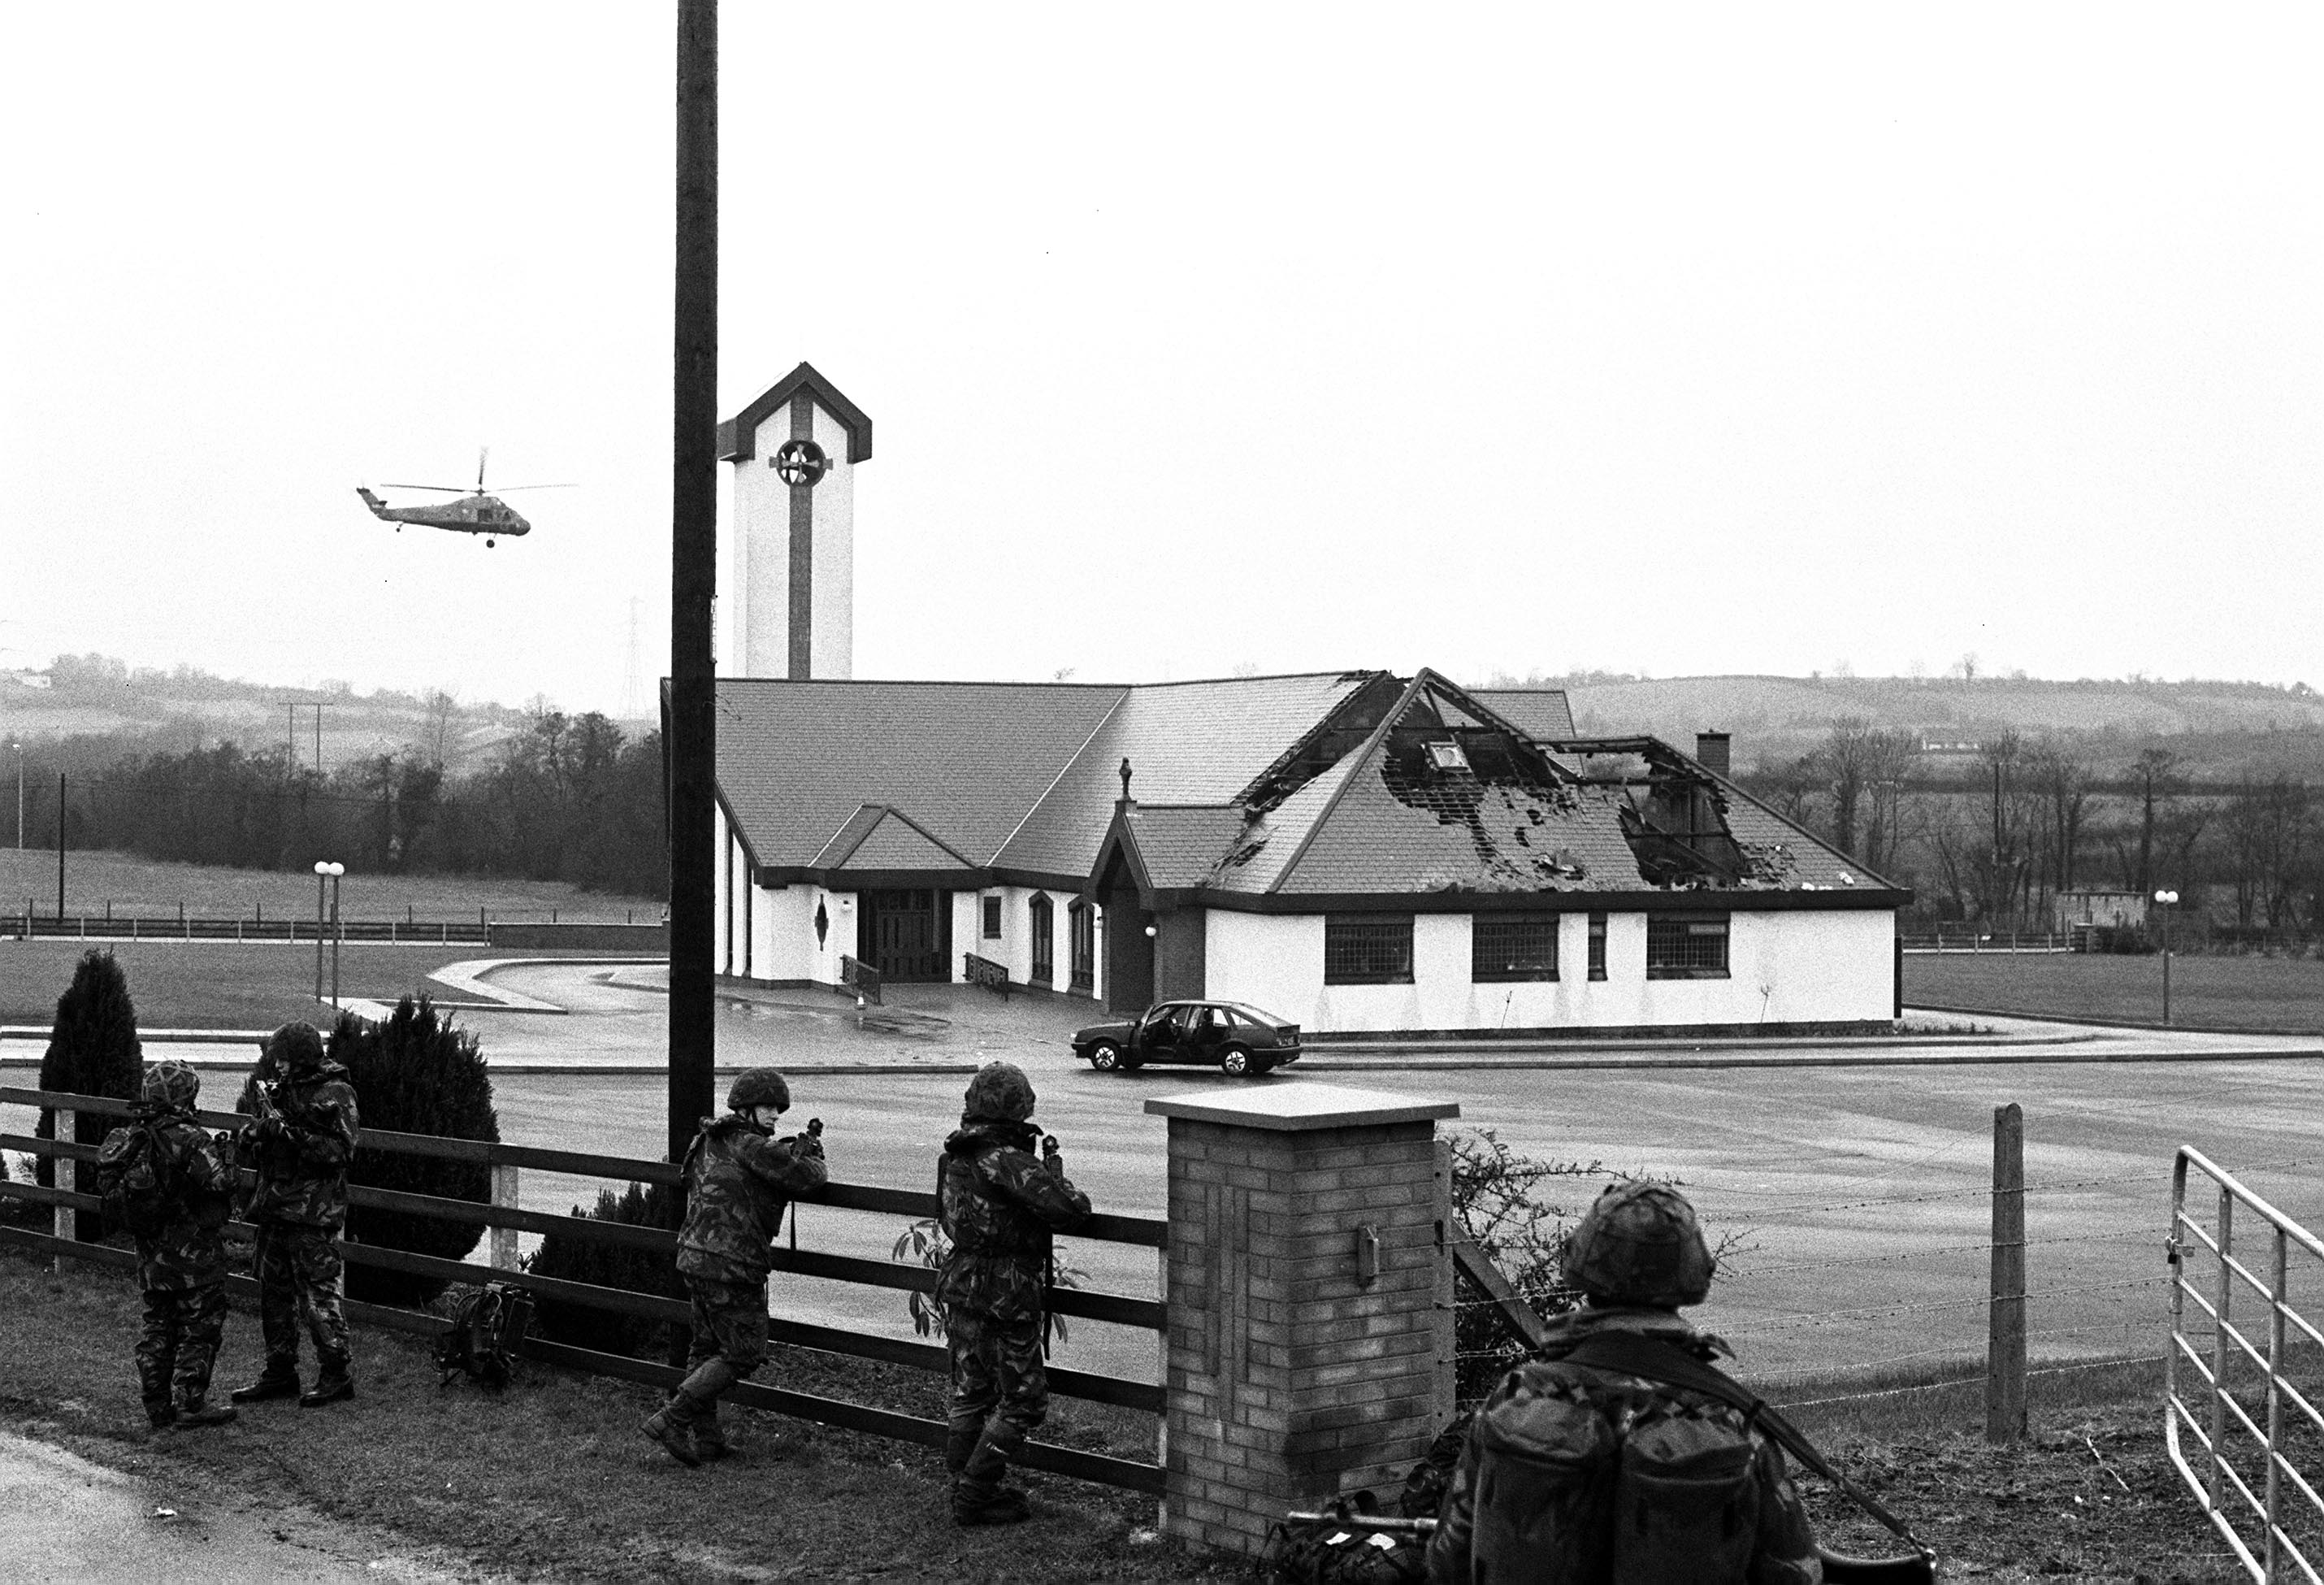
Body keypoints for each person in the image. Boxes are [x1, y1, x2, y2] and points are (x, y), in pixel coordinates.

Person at [1426, 1181, 1823, 1585]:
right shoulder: (1730, 1420)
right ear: (1694, 1270)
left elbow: (1449, 1560)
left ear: (1581, 1261)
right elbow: (1793, 1573)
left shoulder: (1517, 1397)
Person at [641, 1067, 829, 1466]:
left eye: (778, 1108)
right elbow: (808, 1177)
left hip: (692, 1256)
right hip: (732, 1264)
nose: (776, 1115)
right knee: (745, 1351)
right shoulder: (751, 1145)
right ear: (746, 1108)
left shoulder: (706, 1140)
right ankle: (671, 1420)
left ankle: (708, 1441)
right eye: (768, 1107)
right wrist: (811, 1152)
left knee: (705, 1348)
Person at [935, 1061, 1090, 1526]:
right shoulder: (1006, 1159)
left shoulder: (956, 1156)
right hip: (1006, 1291)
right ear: (1019, 1110)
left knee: (970, 1389)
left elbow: (947, 1219)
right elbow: (1070, 1210)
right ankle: (975, 1494)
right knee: (1024, 1400)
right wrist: (1055, 1174)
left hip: (961, 1282)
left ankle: (962, 1487)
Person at [95, 1060, 238, 1431]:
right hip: (193, 1255)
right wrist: (232, 1157)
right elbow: (221, 1183)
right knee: (199, 1326)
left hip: (151, 1255)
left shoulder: (137, 1134)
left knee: (158, 1326)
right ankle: (190, 1403)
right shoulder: (189, 1137)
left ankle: (157, 1405)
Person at [229, 1020, 362, 1409]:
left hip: (311, 1214)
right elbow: (260, 1140)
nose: (279, 1067)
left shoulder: (336, 1092)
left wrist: (291, 1135)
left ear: (302, 1058)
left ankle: (336, 1374)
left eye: (284, 1060)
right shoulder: (281, 1091)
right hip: (275, 1208)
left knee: (317, 1297)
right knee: (273, 1294)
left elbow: (341, 1151)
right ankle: (280, 1371)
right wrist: (256, 1135)